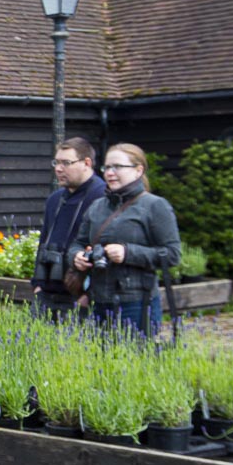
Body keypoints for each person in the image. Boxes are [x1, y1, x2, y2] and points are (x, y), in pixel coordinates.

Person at [71, 143, 181, 336]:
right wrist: (77, 256)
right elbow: (77, 243)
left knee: (136, 355)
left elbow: (172, 255)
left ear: (138, 170)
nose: (110, 173)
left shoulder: (155, 206)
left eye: (118, 167)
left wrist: (128, 253)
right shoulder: (96, 207)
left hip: (137, 304)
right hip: (97, 302)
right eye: (107, 167)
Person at [32, 137, 106, 318]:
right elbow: (44, 243)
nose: (58, 169)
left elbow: (105, 248)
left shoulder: (103, 198)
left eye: (66, 163)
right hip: (45, 295)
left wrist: (88, 296)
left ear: (86, 163)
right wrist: (37, 285)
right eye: (56, 162)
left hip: (81, 297)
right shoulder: (55, 200)